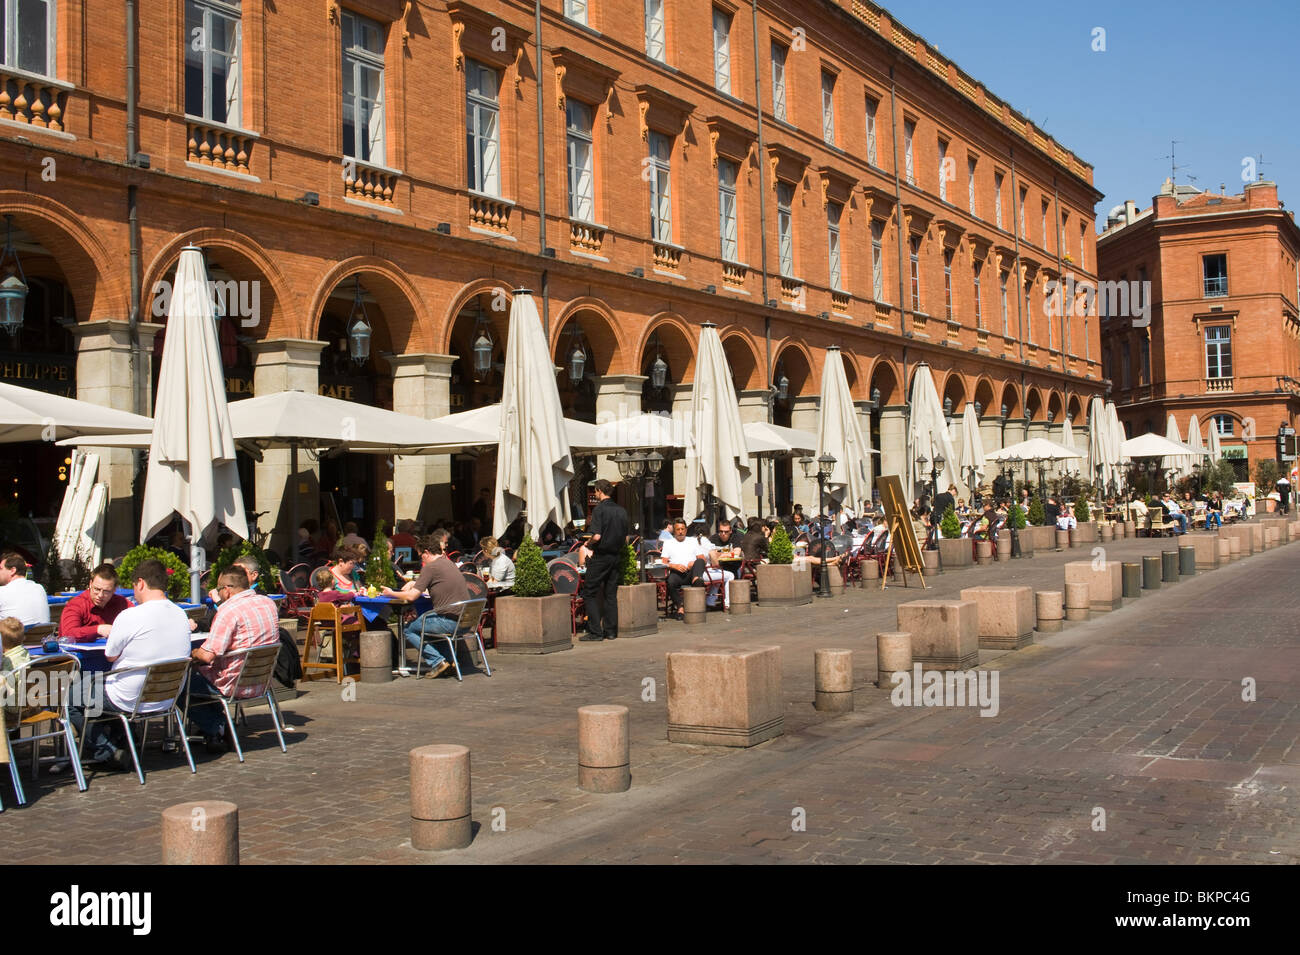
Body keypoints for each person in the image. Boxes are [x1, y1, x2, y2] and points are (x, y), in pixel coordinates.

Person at [71, 559, 192, 771]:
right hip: (167, 696)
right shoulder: (181, 614)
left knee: (67, 697)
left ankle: (107, 750)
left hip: (129, 697)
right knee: (92, 695)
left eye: (134, 587)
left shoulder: (129, 615)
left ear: (141, 583)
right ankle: (122, 740)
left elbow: (110, 656)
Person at [188, 566, 280, 753]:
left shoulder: (228, 611)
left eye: (219, 589)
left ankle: (218, 726)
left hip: (232, 683)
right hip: (261, 681)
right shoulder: (268, 603)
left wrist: (194, 652)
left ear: (227, 590)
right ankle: (215, 729)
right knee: (199, 681)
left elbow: (207, 655)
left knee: (183, 683)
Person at [381, 530, 468, 678]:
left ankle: (437, 661)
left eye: (421, 555)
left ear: (426, 552)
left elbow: (412, 596)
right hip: (465, 621)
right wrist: (416, 582)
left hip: (449, 621)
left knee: (409, 629)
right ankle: (450, 662)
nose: (421, 559)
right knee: (428, 627)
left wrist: (391, 593)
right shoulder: (449, 563)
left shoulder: (430, 567)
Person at [579, 479, 630, 642]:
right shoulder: (621, 510)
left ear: (600, 491)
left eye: (595, 491)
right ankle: (611, 631)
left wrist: (588, 543)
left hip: (601, 555)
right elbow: (626, 538)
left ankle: (595, 631)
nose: (595, 494)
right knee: (610, 593)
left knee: (589, 591)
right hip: (616, 556)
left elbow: (597, 535)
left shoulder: (599, 510)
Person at [60, 563, 131, 642]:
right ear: (90, 584)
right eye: (97, 589)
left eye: (106, 591)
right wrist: (98, 630)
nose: (100, 595)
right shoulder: (76, 605)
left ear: (114, 590)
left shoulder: (122, 603)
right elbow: (67, 635)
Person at [660, 519, 706, 620]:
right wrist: (674, 566)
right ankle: (680, 608)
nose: (680, 531)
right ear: (674, 531)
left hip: (692, 573)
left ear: (686, 530)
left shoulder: (692, 541)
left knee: (699, 562)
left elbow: (703, 559)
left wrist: (692, 564)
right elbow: (663, 562)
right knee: (670, 581)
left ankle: (696, 581)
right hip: (677, 573)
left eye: (682, 529)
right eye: (678, 529)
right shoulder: (668, 543)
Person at [0, 552, 49, 627]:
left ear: (12, 570)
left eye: (1, 569)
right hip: (41, 637)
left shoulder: (3, 592)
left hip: (16, 637)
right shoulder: (39, 588)